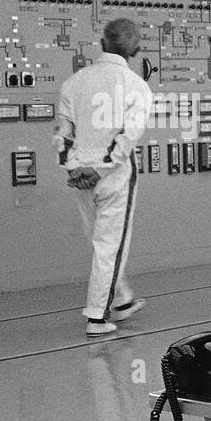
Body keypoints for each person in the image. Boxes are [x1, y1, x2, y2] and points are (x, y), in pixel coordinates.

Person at [53, 18, 152, 338]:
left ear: (101, 44)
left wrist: (71, 166)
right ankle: (96, 316)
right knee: (111, 244)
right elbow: (127, 137)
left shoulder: (75, 81)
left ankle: (122, 300)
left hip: (79, 175)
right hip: (113, 176)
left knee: (101, 242)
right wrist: (101, 168)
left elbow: (63, 131)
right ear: (135, 49)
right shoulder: (137, 86)